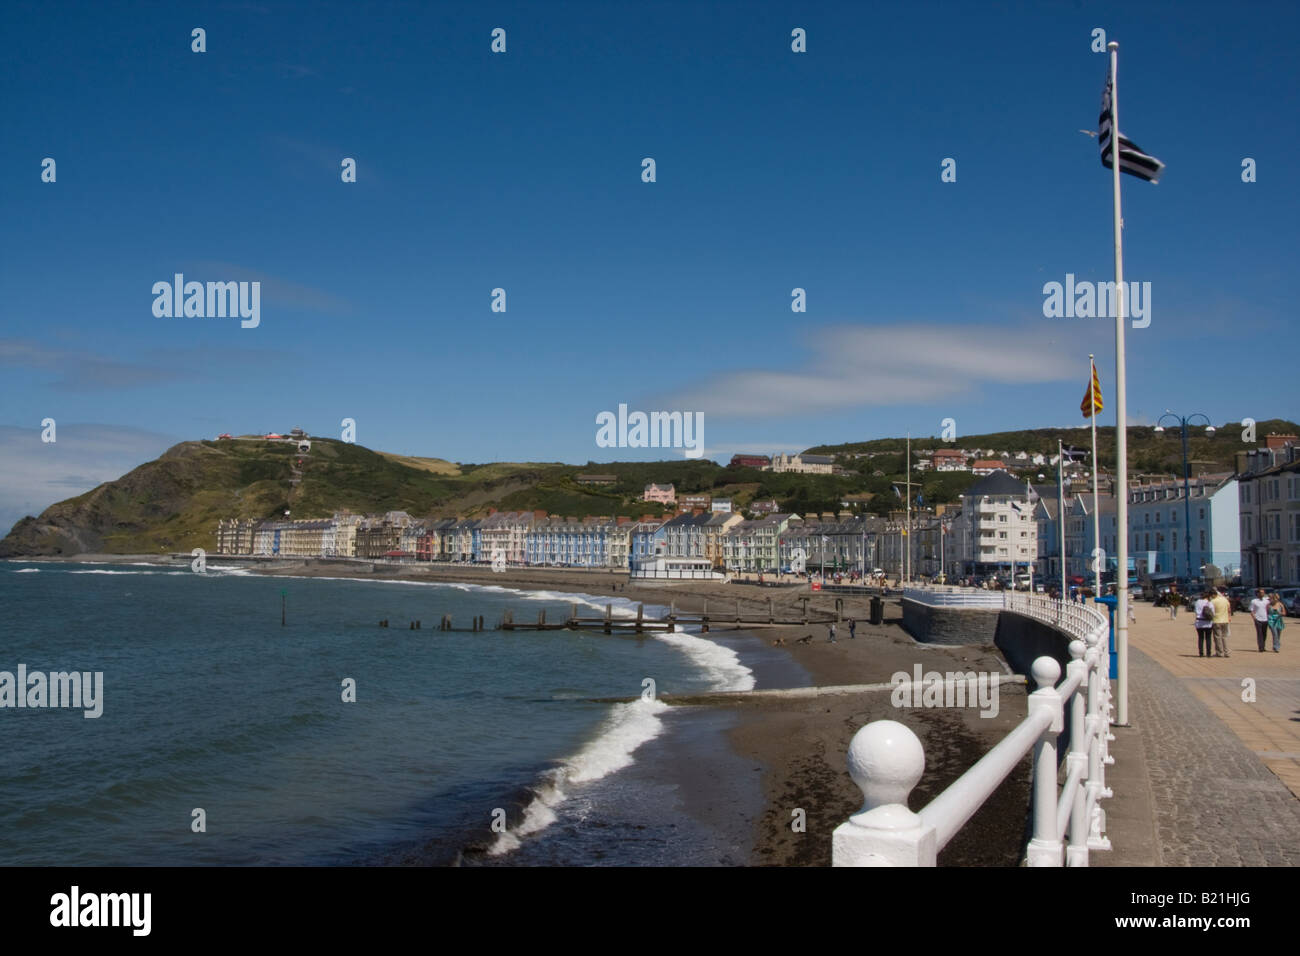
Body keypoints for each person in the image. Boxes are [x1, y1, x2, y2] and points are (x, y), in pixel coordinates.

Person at [1210, 587, 1232, 658]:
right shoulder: (1225, 600)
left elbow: (1210, 611)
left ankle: (1220, 652)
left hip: (1216, 620)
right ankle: (1226, 652)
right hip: (1225, 620)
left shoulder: (1213, 601)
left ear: (1213, 595)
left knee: (1217, 637)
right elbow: (1229, 608)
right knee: (1224, 637)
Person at [1193, 590, 1215, 658]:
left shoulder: (1197, 602)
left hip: (1199, 622)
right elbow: (1213, 613)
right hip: (1208, 623)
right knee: (1208, 638)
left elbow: (1196, 611)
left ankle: (1201, 653)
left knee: (1200, 638)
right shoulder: (1209, 603)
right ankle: (1208, 653)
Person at [1249, 588, 1271, 653]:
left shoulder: (1266, 600)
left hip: (1265, 619)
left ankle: (1263, 646)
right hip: (1258, 619)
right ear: (1257, 593)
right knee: (1259, 634)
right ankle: (1260, 647)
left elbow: (1274, 600)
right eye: (1261, 592)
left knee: (1264, 634)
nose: (1262, 594)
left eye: (1263, 592)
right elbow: (1251, 611)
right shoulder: (1254, 601)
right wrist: (1255, 619)